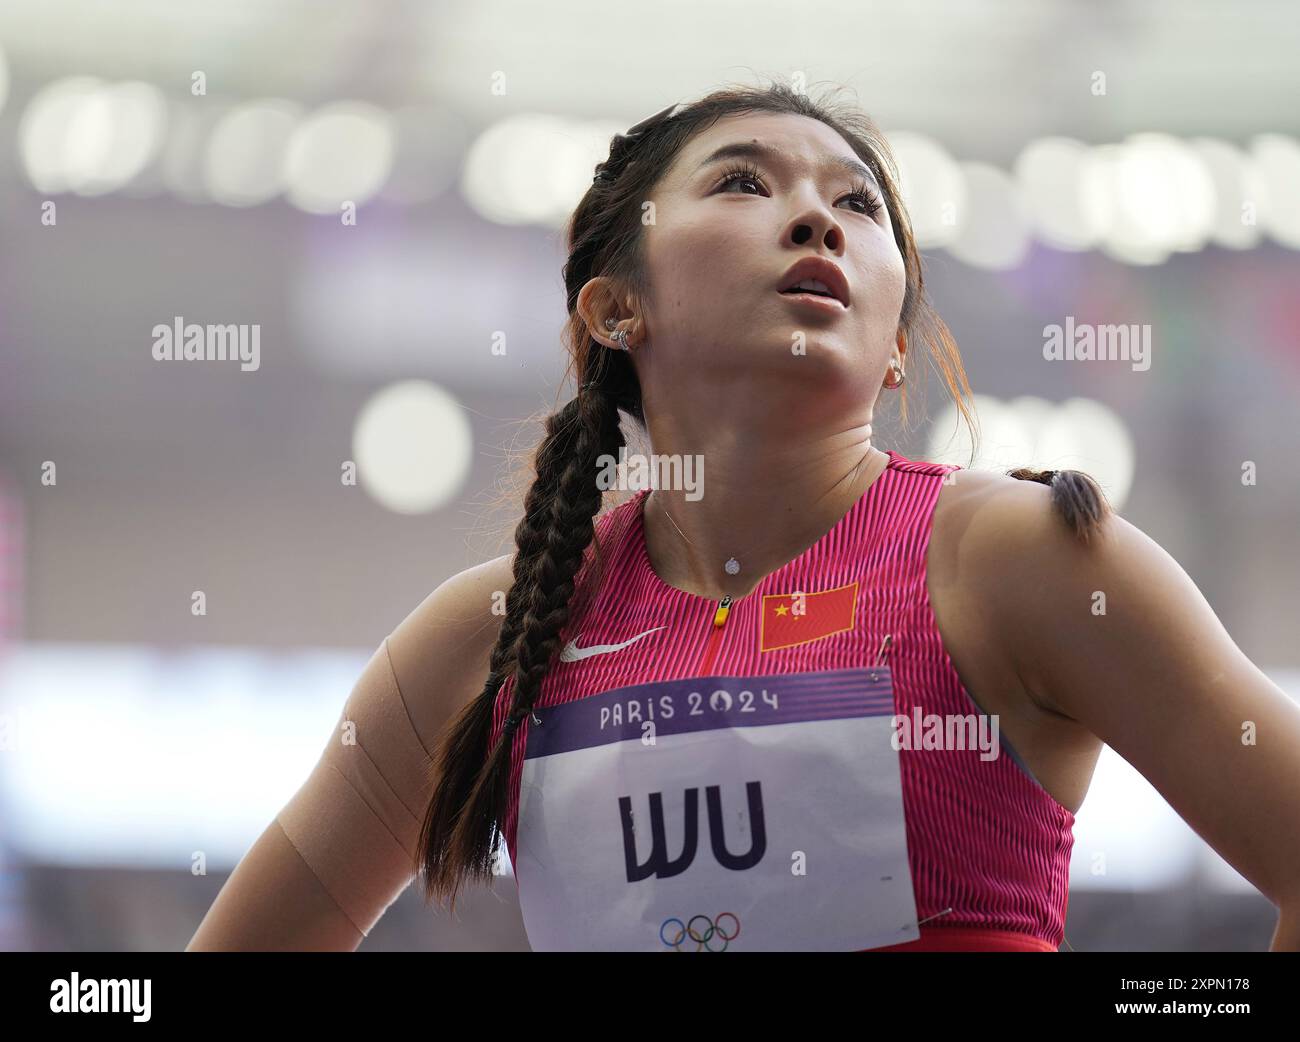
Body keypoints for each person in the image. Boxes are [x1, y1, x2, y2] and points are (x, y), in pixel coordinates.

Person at [186, 82, 1300, 953]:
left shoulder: (1023, 562)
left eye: (856, 205)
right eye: (741, 183)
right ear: (615, 306)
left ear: (897, 339)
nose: (816, 215)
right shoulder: (480, 641)